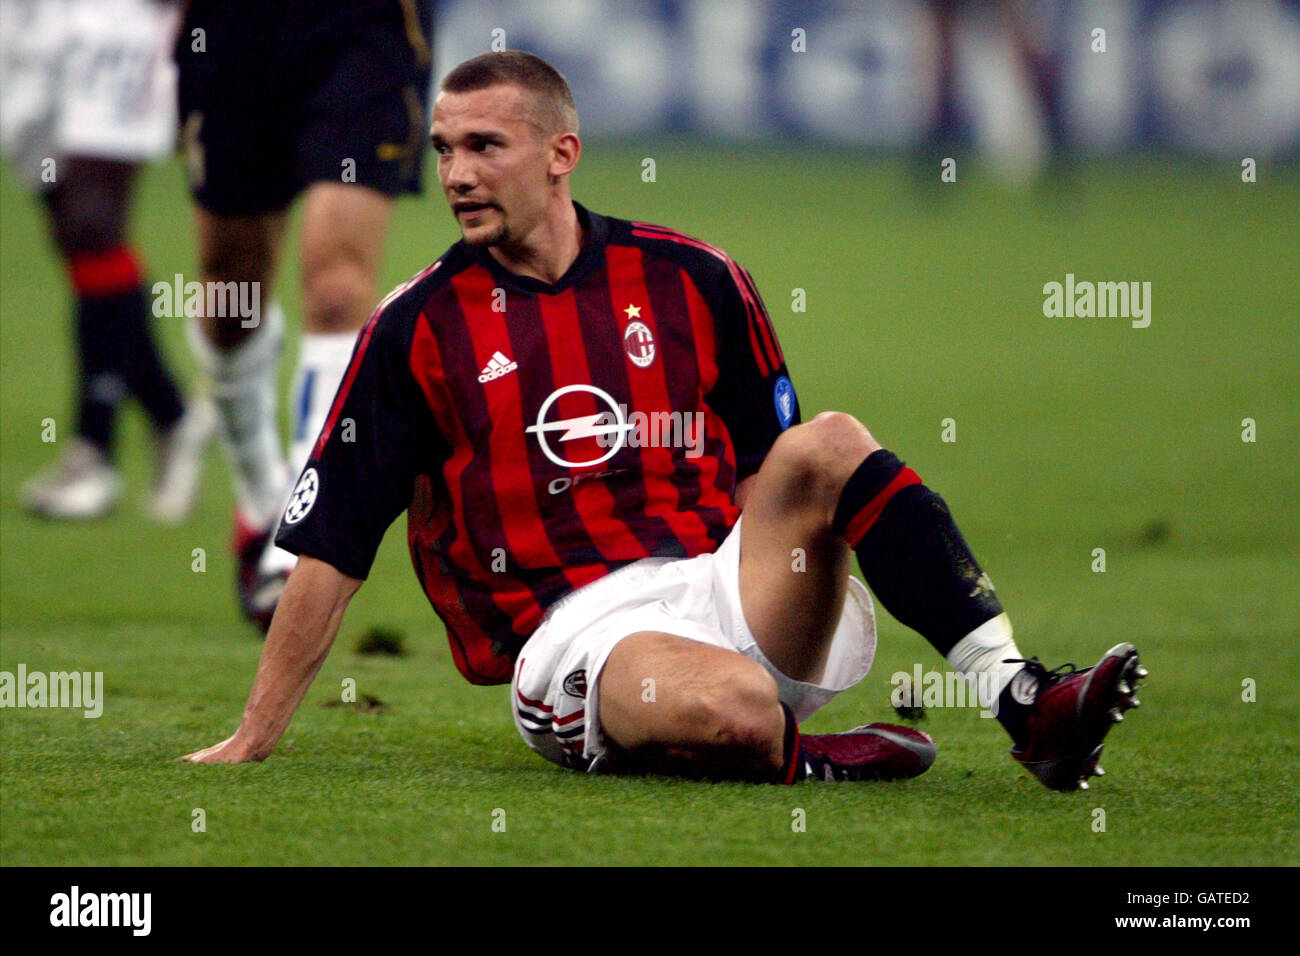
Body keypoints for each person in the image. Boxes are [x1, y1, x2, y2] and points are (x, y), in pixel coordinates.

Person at [184, 51, 1145, 788]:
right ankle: (808, 755)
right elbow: (334, 545)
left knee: (831, 444)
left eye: (485, 146)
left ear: (562, 154)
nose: (457, 174)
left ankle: (1023, 700)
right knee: (733, 708)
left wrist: (779, 563)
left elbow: (774, 478)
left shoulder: (695, 277)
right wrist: (253, 734)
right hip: (574, 640)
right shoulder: (416, 328)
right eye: (444, 149)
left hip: (718, 585)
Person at [173, 0, 434, 628]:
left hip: (365, 23)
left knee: (339, 291)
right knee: (229, 295)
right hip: (231, 28)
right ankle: (262, 490)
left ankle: (297, 533)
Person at [3, 0, 214, 522]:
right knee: (74, 239)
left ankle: (93, 450)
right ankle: (172, 411)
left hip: (119, 24)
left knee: (93, 225)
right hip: (28, 26)